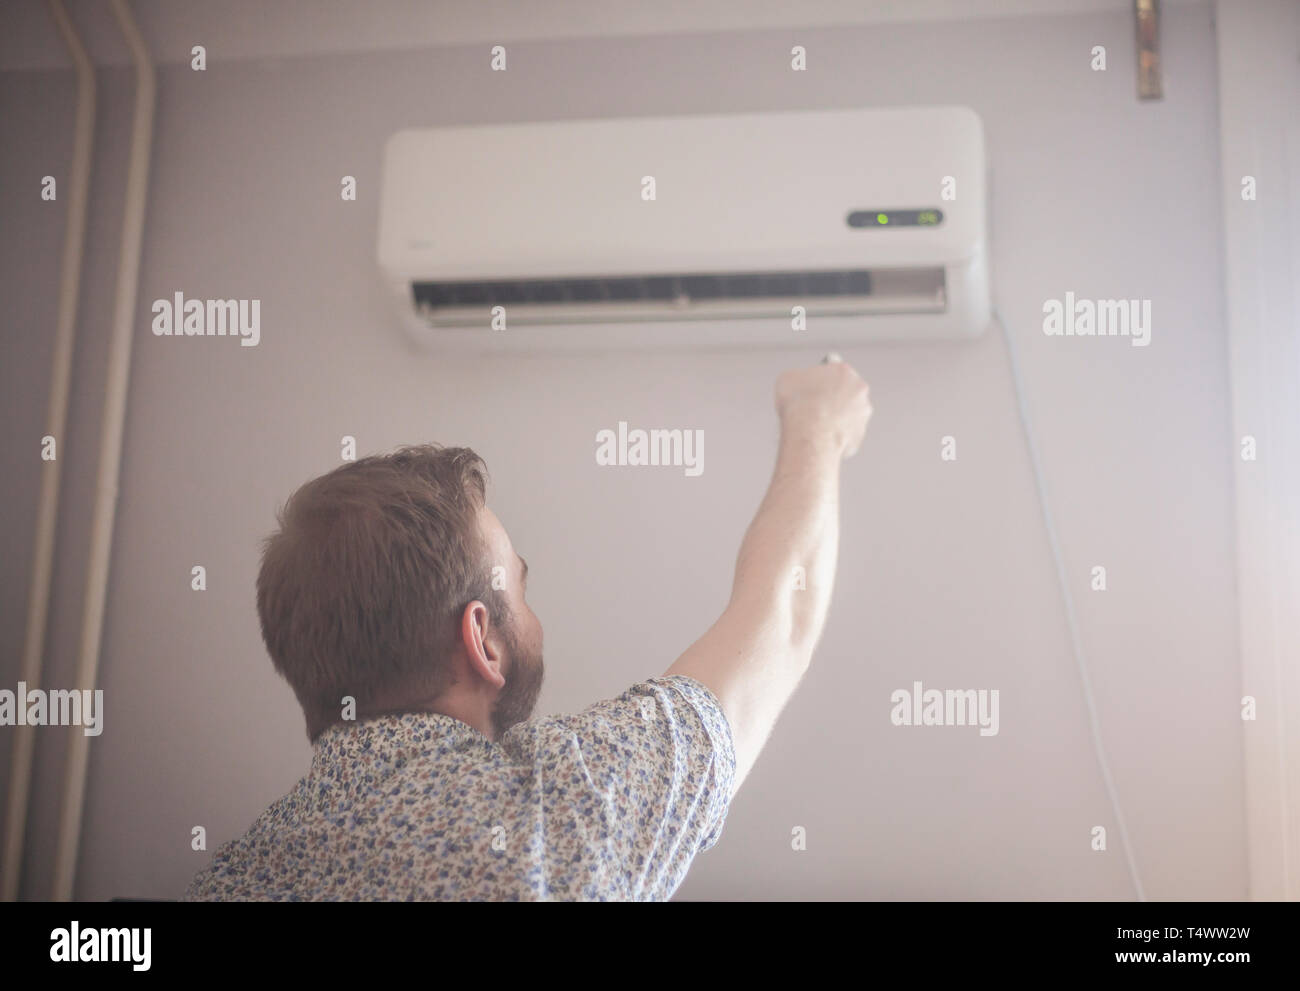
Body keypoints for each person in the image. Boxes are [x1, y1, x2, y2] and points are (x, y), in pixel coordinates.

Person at [183, 359, 871, 900]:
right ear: (481, 638)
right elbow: (783, 613)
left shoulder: (229, 875)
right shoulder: (556, 806)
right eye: (520, 580)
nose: (533, 608)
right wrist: (819, 423)